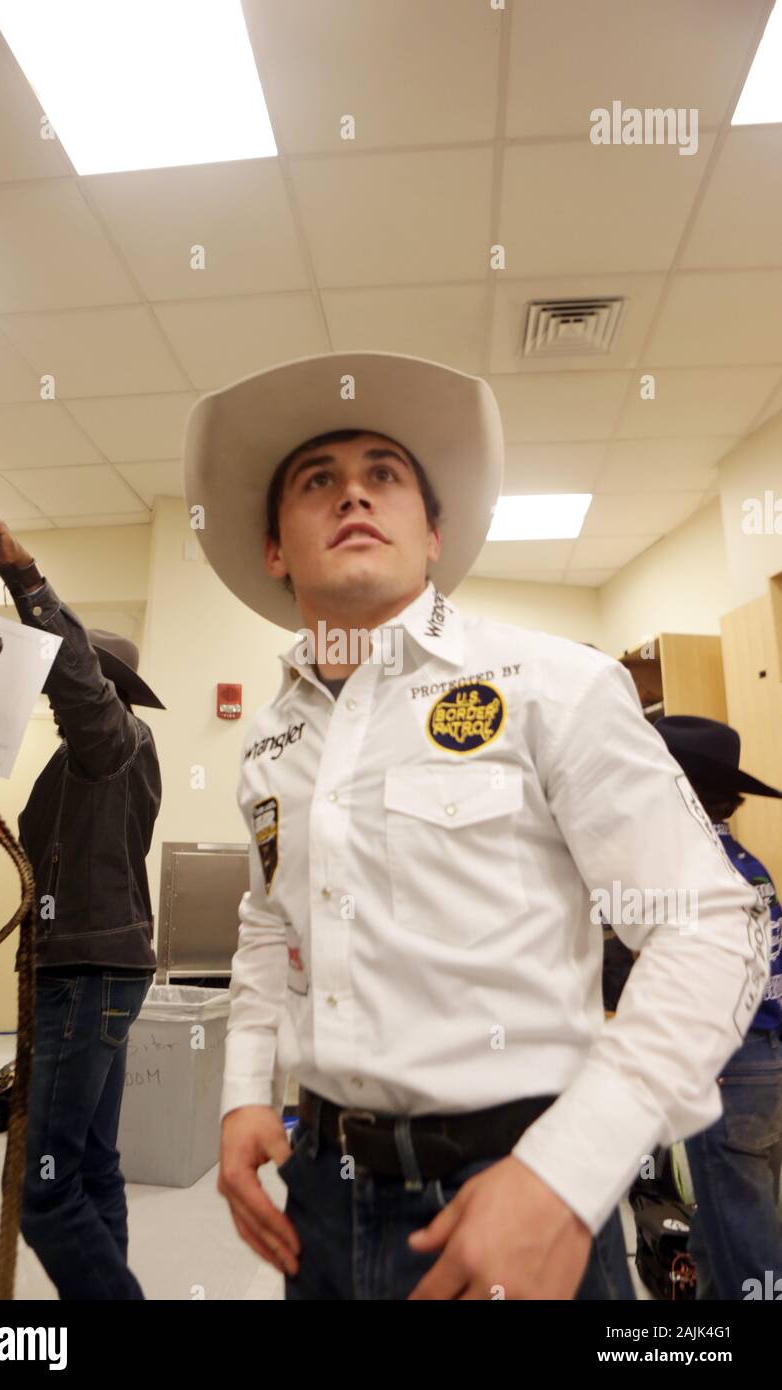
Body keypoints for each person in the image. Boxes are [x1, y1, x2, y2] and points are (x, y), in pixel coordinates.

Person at [183, 351, 769, 1301]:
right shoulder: (270, 737)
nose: (353, 495)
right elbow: (269, 923)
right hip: (324, 1198)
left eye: (385, 474)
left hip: (515, 1187)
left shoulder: (551, 685)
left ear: (432, 534)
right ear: (275, 550)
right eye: (317, 480)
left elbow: (710, 924)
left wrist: (566, 1178)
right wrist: (249, 1088)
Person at [0, 510, 164, 1301]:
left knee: (44, 1192)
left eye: (71, 682)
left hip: (84, 977)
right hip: (102, 971)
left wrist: (25, 578)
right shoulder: (92, 766)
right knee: (91, 1166)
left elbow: (82, 689)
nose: (59, 697)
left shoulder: (113, 742)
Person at [655, 716, 782, 1300]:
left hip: (728, 1068)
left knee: (748, 1260)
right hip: (765, 1063)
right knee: (725, 1234)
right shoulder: (744, 861)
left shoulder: (688, 867)